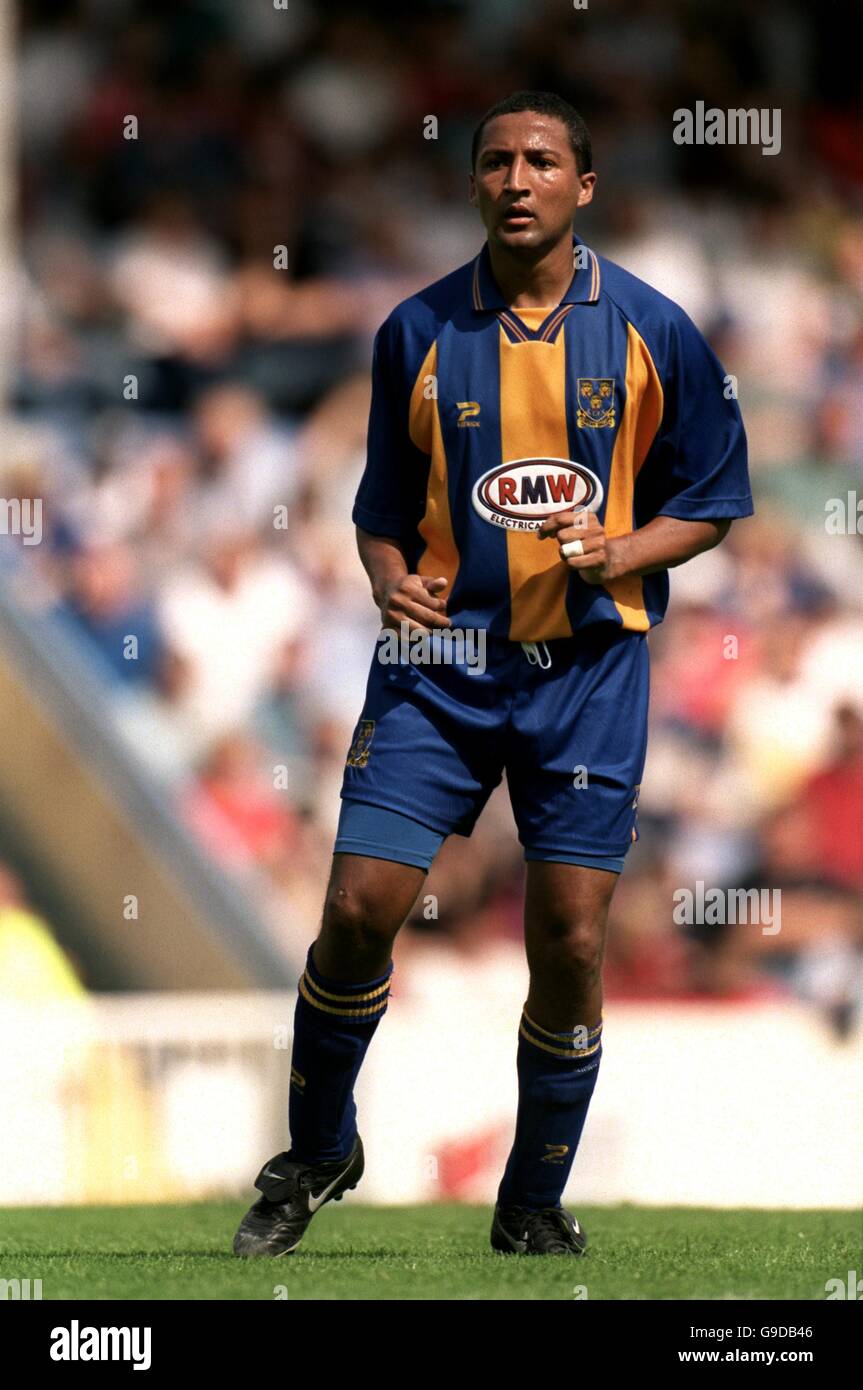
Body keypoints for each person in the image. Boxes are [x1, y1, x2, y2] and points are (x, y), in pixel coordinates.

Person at [233, 90, 753, 1258]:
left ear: (585, 185)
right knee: (358, 909)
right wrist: (383, 579)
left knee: (567, 937)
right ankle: (319, 1147)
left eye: (539, 161)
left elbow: (711, 500)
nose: (516, 179)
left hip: (587, 668)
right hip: (438, 662)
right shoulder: (413, 331)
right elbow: (377, 514)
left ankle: (529, 1199)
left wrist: (624, 549)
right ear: (471, 185)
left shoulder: (655, 330)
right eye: (494, 162)